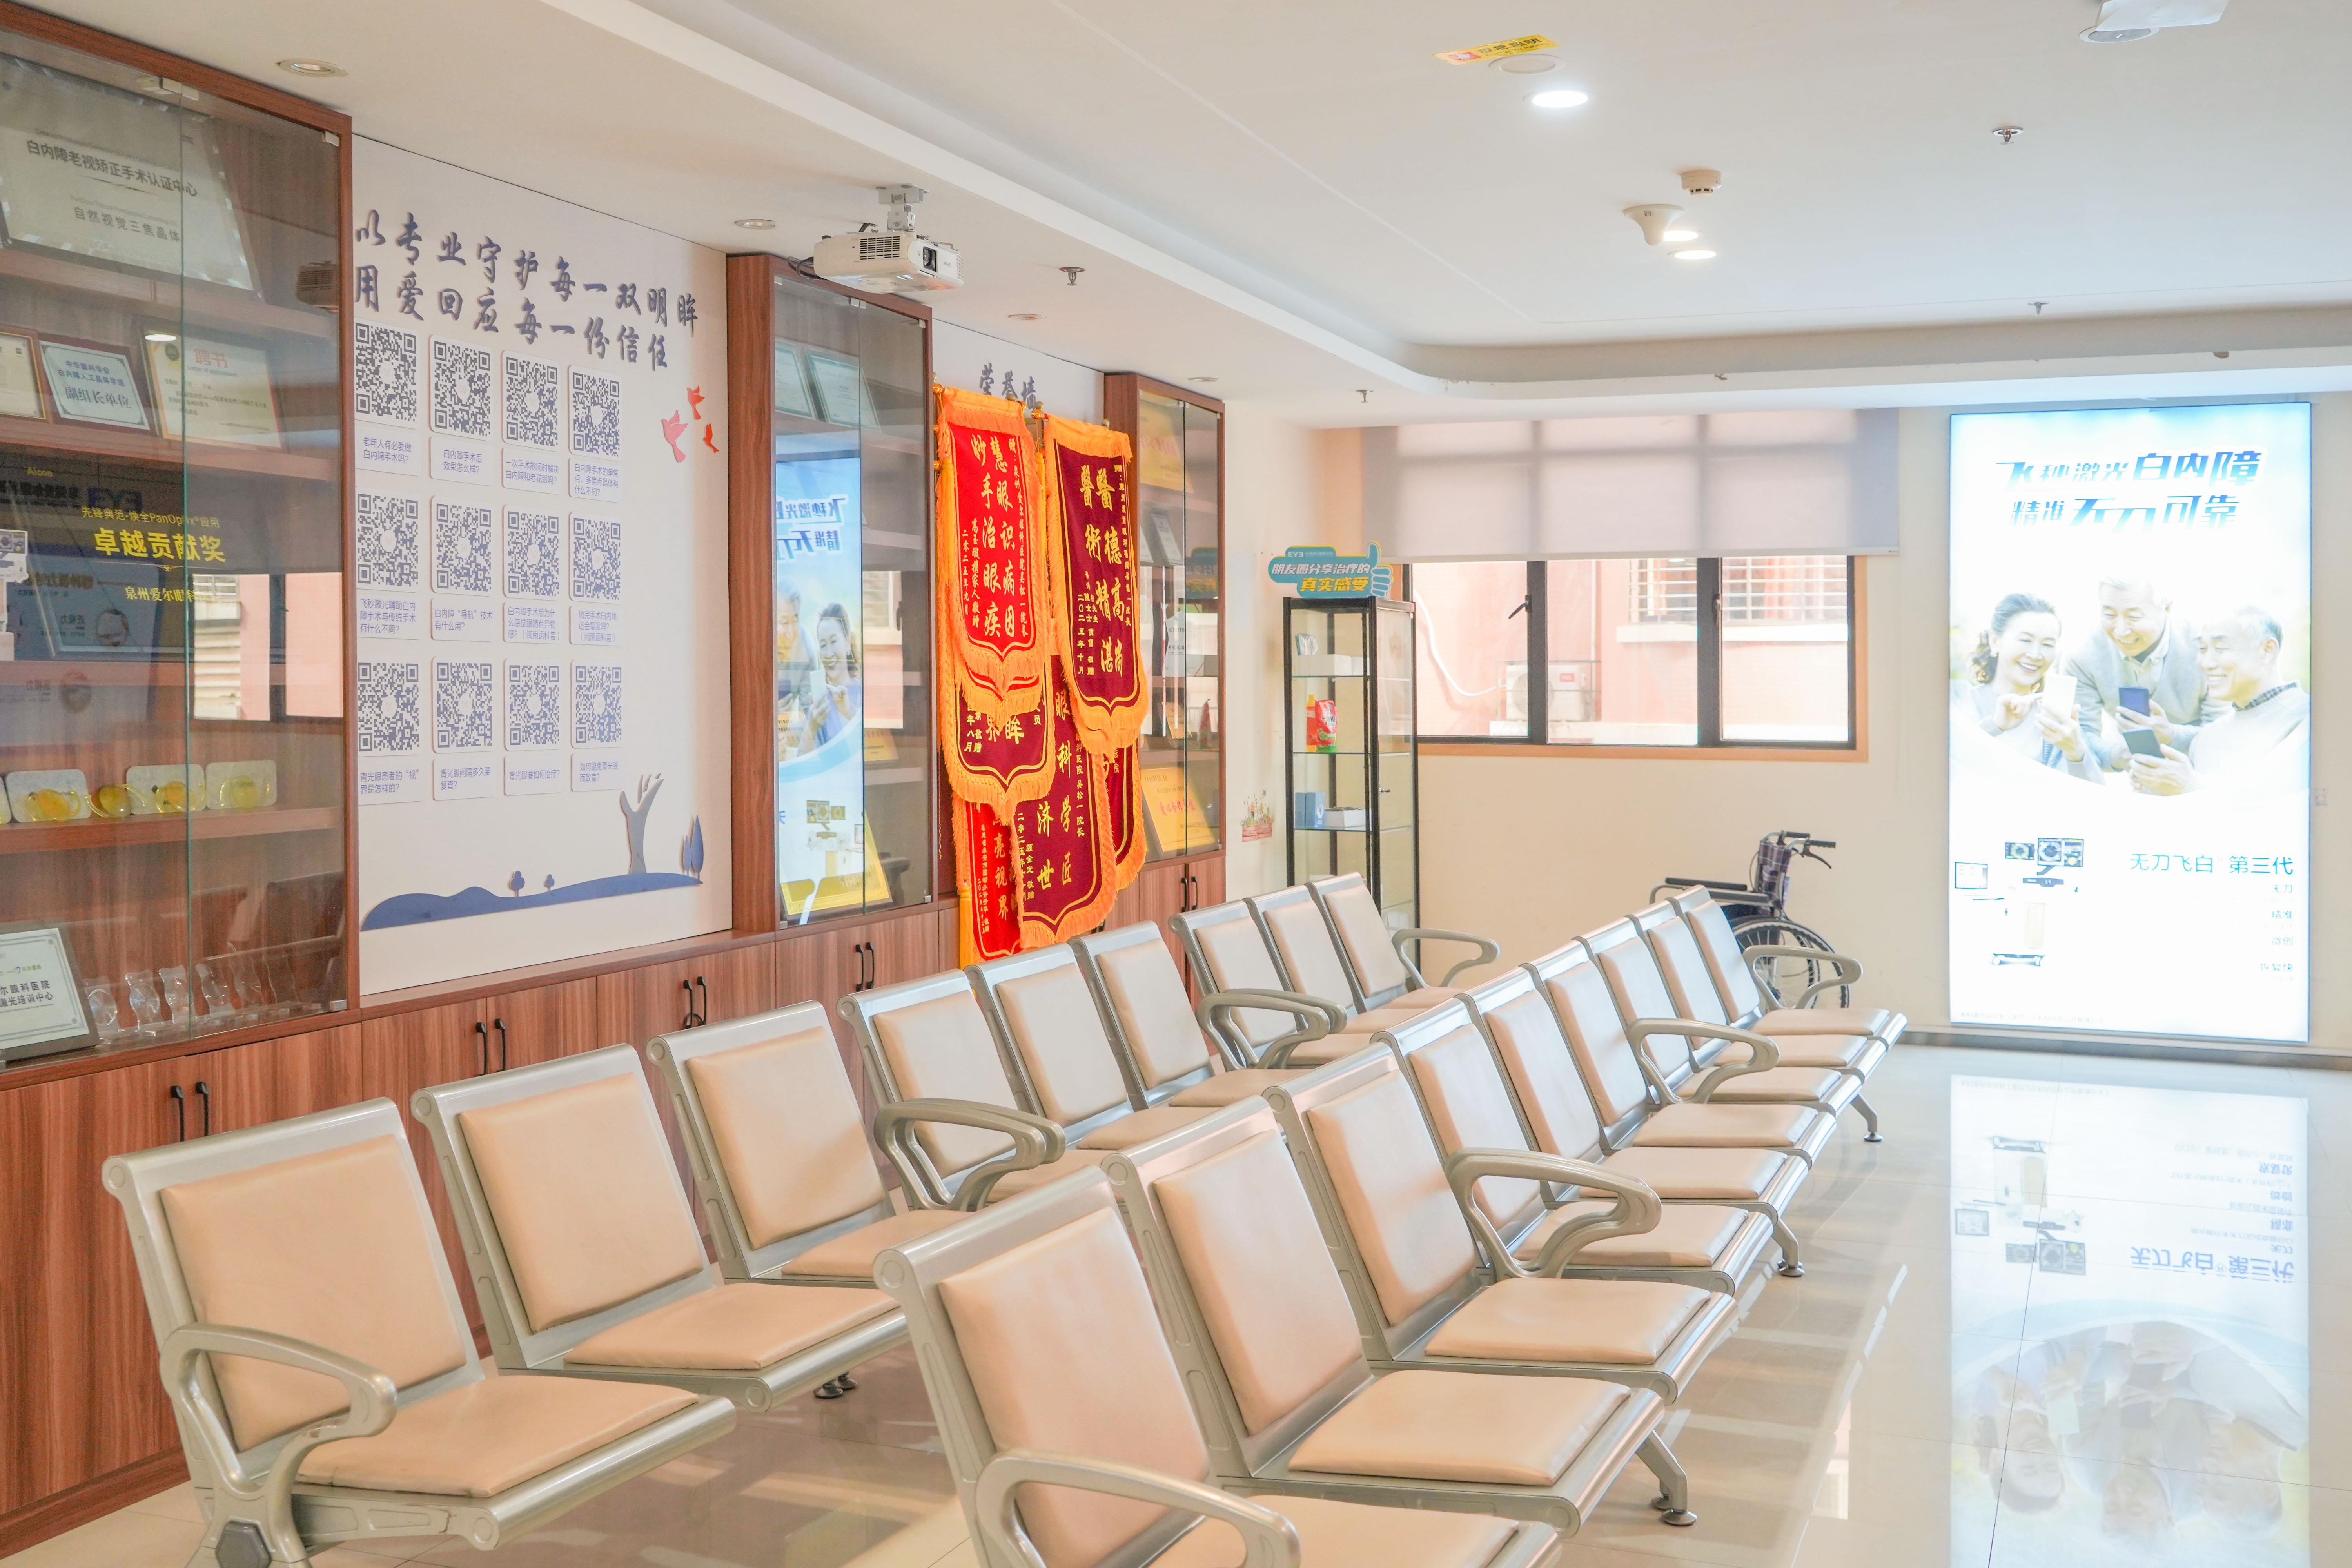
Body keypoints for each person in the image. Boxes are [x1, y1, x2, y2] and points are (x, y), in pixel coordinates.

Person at [2129, 605, 2309, 795]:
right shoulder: (2207, 737)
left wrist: (2188, 784)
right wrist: (2156, 788)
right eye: (2202, 648)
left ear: (2267, 650)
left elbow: (2283, 804)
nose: (2207, 663)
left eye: (2221, 648)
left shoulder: (2309, 720)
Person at [2060, 576, 2219, 771]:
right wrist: (2117, 756)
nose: (2121, 631)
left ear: (2167, 609)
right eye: (2109, 615)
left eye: (2134, 617)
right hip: (2129, 764)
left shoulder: (2206, 649)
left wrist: (2171, 735)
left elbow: (2224, 733)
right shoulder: (2083, 656)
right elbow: (2081, 733)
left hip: (2204, 767)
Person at [1955, 592, 2098, 779]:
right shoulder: (1958, 698)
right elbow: (1939, 761)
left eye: (2048, 645)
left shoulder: (2053, 717)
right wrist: (1995, 725)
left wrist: (2076, 752)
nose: (2036, 655)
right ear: (1995, 641)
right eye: (2025, 640)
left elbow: (2092, 791)